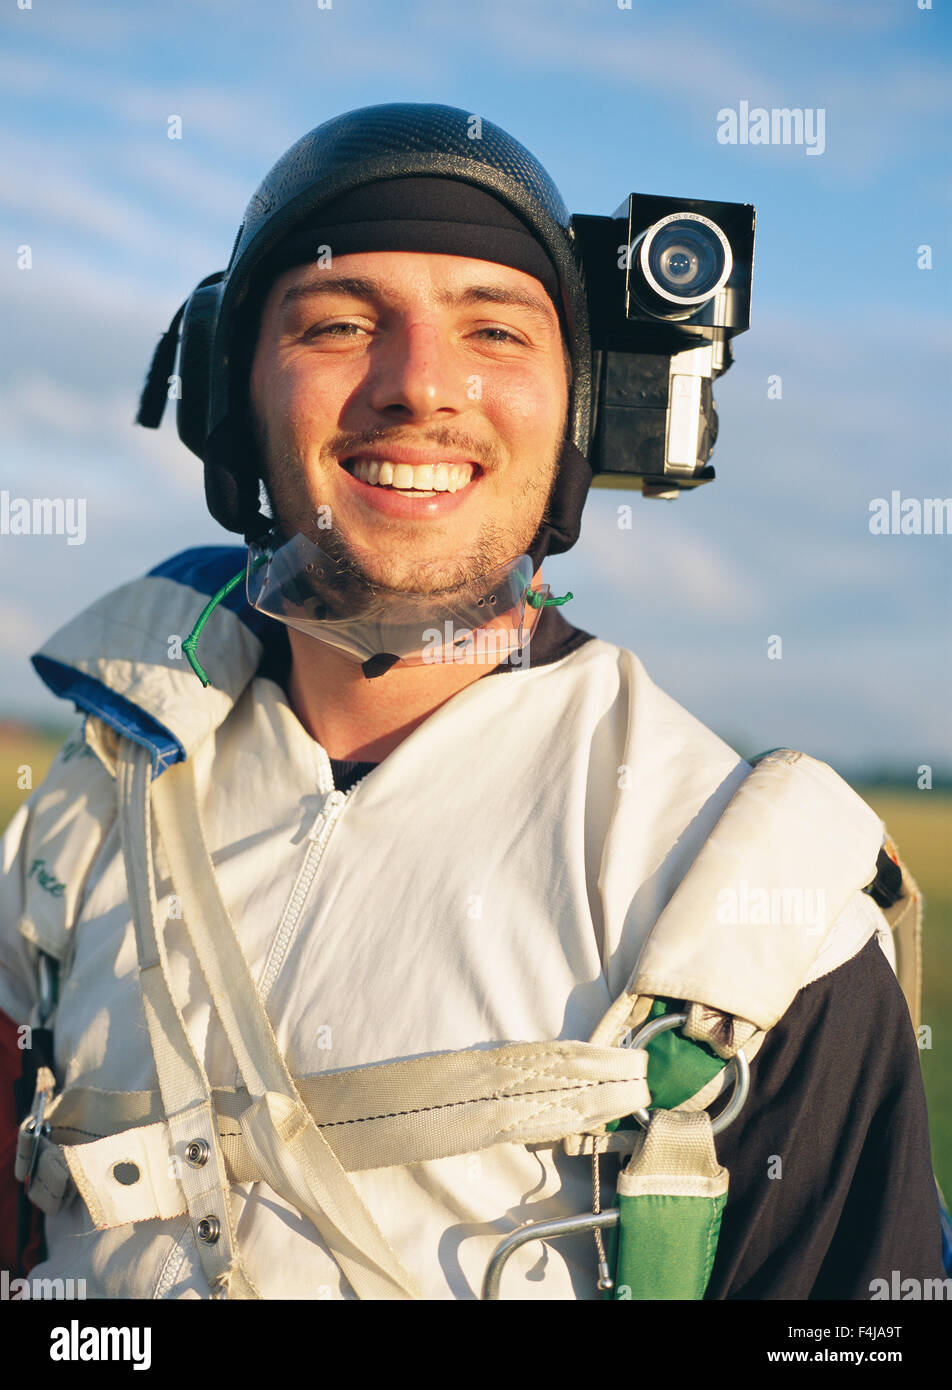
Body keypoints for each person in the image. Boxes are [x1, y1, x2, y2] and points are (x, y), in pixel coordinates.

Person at [0, 103, 945, 1301]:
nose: (420, 386)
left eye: (494, 330)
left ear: (586, 414)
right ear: (226, 401)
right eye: (340, 323)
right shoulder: (85, 816)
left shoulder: (759, 900)